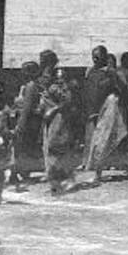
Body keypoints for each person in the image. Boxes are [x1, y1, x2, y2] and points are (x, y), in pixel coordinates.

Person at [81, 46, 125, 179]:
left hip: (108, 110)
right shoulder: (90, 72)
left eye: (98, 56)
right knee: (95, 141)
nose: (94, 59)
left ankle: (99, 172)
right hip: (94, 111)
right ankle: (96, 170)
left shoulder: (111, 72)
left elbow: (121, 88)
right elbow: (88, 92)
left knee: (104, 140)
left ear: (104, 57)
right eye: (93, 56)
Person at [40, 61, 78, 195]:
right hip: (52, 121)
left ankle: (61, 181)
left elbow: (67, 101)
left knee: (56, 148)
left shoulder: (58, 88)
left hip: (59, 121)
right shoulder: (50, 88)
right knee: (54, 149)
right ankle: (58, 181)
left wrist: (54, 110)